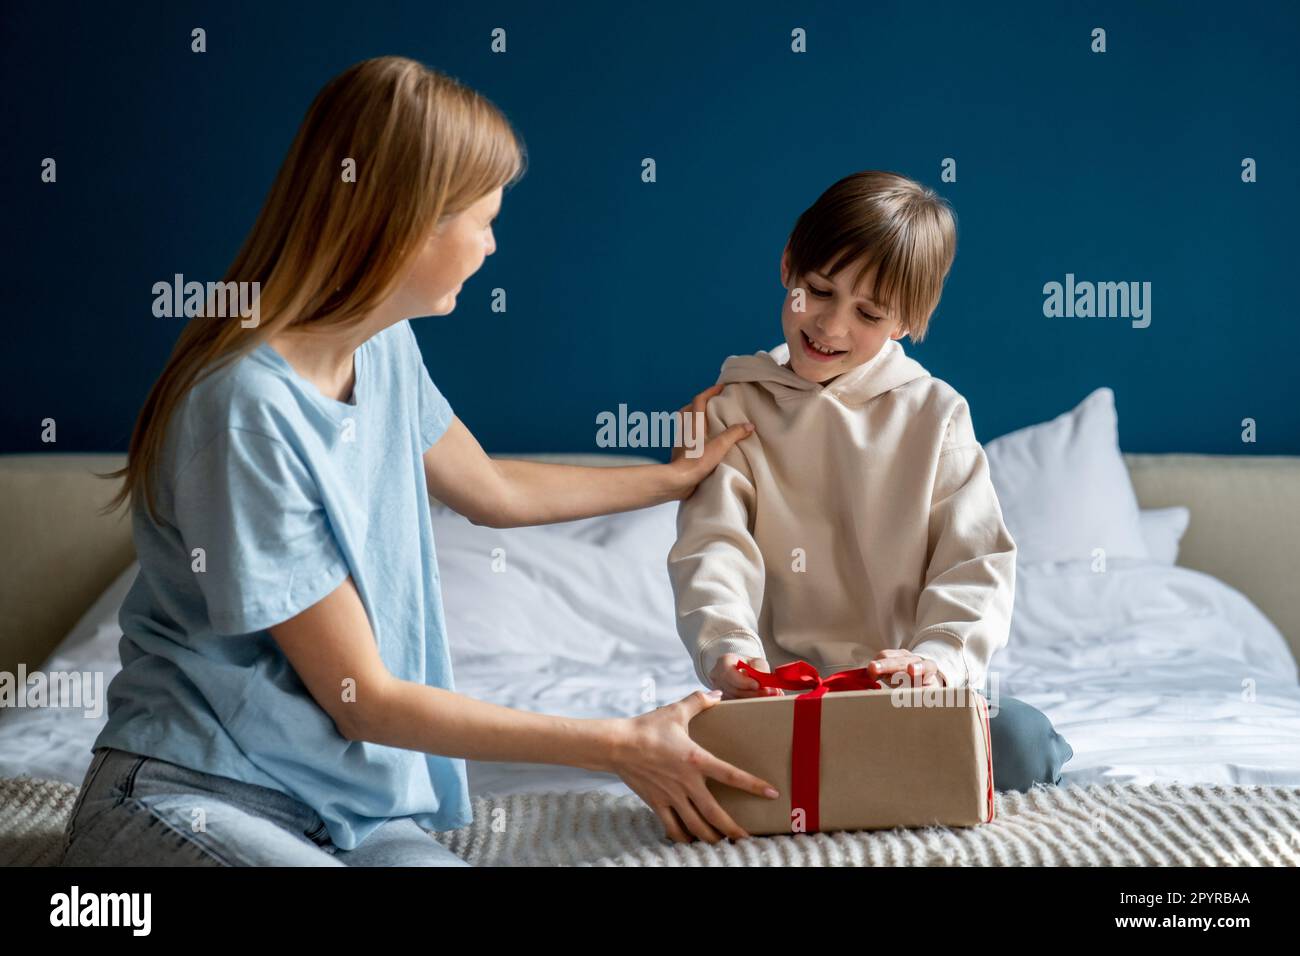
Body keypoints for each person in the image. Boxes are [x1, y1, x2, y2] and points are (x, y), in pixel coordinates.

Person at [60, 56, 779, 868]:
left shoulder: (384, 349)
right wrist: (619, 744)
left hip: (349, 813)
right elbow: (363, 699)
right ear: (406, 222)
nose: (493, 245)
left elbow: (494, 489)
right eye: (483, 219)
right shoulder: (245, 410)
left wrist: (670, 481)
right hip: (192, 794)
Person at [667, 170, 1073, 793]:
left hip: (904, 699)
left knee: (1021, 741)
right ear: (787, 267)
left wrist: (936, 660)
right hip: (784, 699)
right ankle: (853, 784)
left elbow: (974, 561)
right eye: (818, 291)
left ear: (907, 319)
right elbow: (714, 545)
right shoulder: (733, 410)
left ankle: (868, 780)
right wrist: (728, 650)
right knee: (693, 758)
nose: (830, 326)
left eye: (868, 312)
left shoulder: (936, 414)